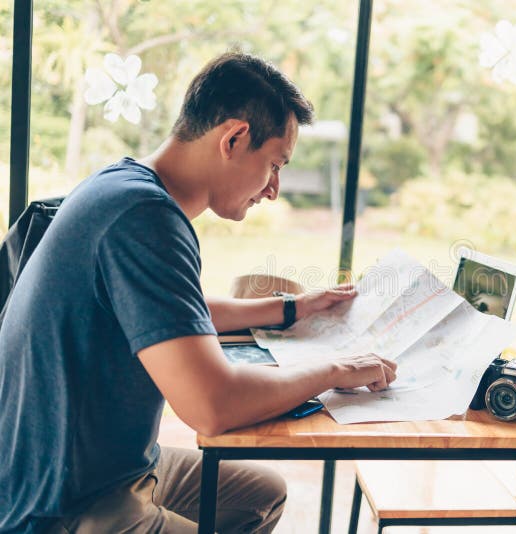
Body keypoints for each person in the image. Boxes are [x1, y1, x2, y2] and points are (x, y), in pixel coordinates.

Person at [0, 51, 397, 533]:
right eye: (275, 164)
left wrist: (292, 309)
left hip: (108, 466)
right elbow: (213, 407)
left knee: (261, 496)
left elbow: (177, 312)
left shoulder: (125, 185)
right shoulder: (144, 218)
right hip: (62, 502)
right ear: (233, 138)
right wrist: (335, 369)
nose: (274, 189)